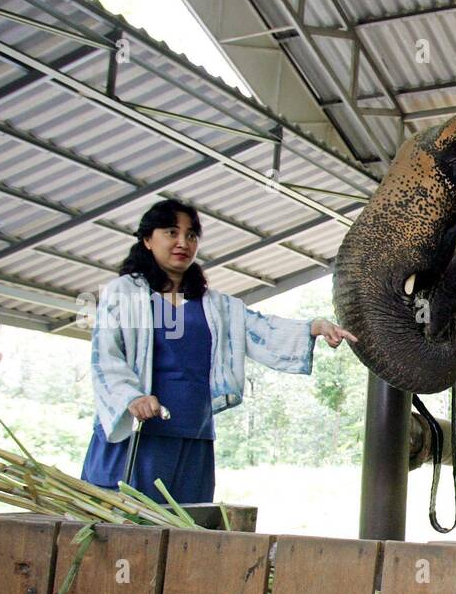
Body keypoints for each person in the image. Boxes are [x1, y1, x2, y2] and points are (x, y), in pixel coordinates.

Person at [81, 199, 355, 505]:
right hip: (137, 436)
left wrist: (314, 327)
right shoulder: (124, 292)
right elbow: (106, 357)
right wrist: (130, 396)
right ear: (147, 239)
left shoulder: (214, 304)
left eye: (192, 235)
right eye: (172, 232)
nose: (183, 243)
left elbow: (260, 328)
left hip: (194, 438)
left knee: (188, 533)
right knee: (127, 531)